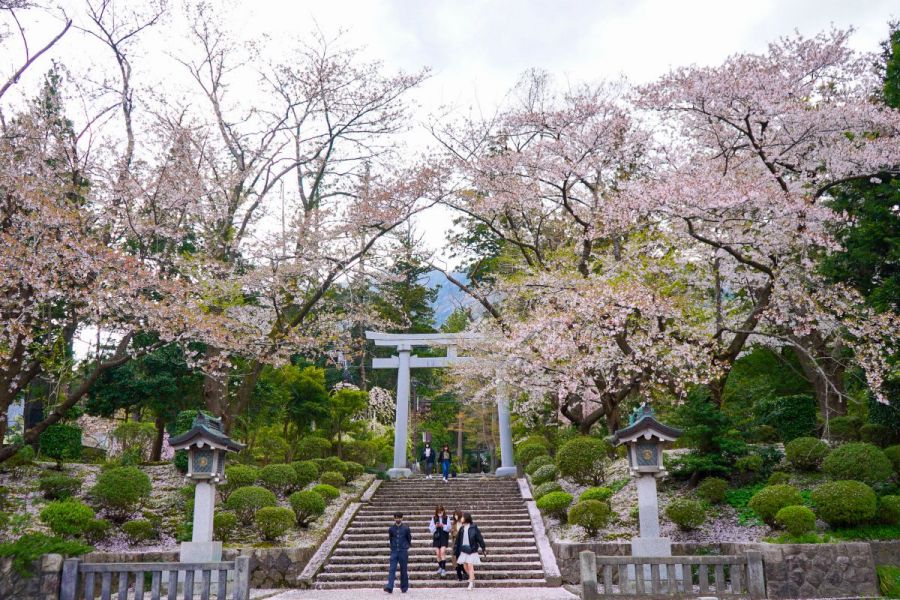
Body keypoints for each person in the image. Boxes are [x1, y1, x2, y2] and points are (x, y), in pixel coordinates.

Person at [453, 512, 486, 590]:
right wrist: (455, 549)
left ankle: (471, 582)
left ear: (466, 518)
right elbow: (457, 540)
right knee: (465, 566)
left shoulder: (474, 527)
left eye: (462, 517)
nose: (461, 518)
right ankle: (472, 577)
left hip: (472, 549)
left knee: (470, 565)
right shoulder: (461, 528)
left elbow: (479, 538)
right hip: (463, 549)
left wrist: (483, 548)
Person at [384, 511, 411, 594]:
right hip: (394, 551)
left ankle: (404, 587)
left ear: (402, 518)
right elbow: (390, 538)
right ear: (394, 518)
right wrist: (393, 547)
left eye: (399, 518)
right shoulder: (391, 529)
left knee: (404, 569)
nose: (398, 519)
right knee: (392, 569)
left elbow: (409, 538)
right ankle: (389, 586)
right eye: (396, 518)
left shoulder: (406, 528)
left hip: (403, 551)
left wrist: (406, 546)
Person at [428, 504, 451, 576]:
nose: (440, 513)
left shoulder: (447, 518)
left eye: (441, 512)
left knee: (442, 552)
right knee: (438, 553)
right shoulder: (434, 518)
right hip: (436, 537)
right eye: (438, 512)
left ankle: (443, 569)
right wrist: (436, 525)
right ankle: (440, 567)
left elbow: (449, 528)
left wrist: (443, 525)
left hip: (444, 537)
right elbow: (431, 529)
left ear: (443, 511)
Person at [450, 509, 465, 581]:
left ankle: (464, 571)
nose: (455, 516)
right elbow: (452, 534)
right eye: (454, 515)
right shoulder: (454, 524)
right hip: (456, 544)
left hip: (463, 543)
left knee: (462, 559)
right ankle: (459, 575)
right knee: (457, 559)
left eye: (456, 515)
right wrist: (454, 532)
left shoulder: (463, 523)